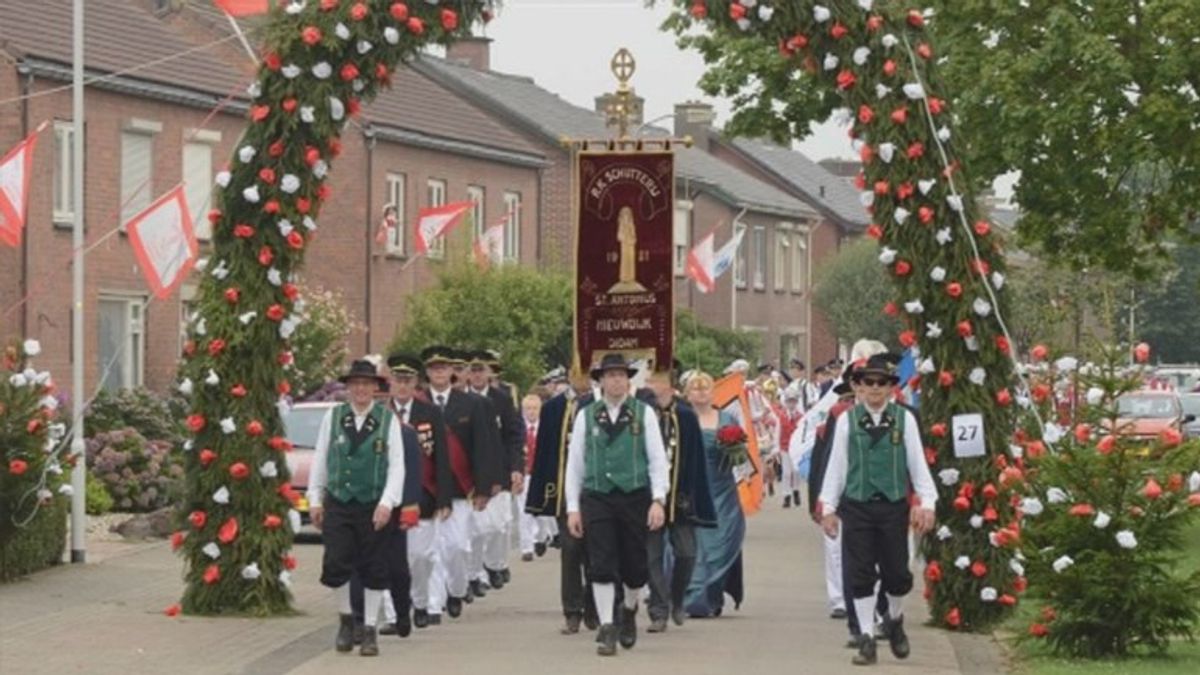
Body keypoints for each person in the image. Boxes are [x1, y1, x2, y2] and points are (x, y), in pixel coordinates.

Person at [819, 353, 938, 666]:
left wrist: (927, 502)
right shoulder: (847, 420)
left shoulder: (904, 419)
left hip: (893, 506)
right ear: (858, 387)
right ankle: (868, 638)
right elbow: (836, 467)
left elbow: (918, 465)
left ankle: (895, 620)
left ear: (890, 388)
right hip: (856, 506)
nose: (874, 388)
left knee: (897, 573)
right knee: (859, 574)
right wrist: (828, 507)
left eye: (881, 383)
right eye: (868, 382)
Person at [565, 353, 669, 656]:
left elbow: (657, 460)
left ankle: (629, 608)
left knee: (636, 567)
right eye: (610, 375)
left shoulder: (644, 413)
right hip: (597, 496)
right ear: (601, 380)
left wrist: (658, 500)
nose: (617, 380)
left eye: (622, 375)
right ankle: (608, 626)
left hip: (634, 496)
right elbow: (575, 464)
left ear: (628, 379)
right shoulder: (586, 415)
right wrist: (573, 506)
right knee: (601, 563)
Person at [307, 359, 410, 657]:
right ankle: (345, 620)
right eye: (356, 384)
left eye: (366, 384)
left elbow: (397, 466)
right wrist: (315, 498)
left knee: (373, 567)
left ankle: (369, 629)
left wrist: (387, 503)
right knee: (337, 562)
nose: (361, 390)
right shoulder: (334, 416)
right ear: (349, 388)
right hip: (339, 502)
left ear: (375, 388)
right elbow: (320, 459)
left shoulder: (387, 420)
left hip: (372, 504)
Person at [421, 345, 503, 620]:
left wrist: (483, 489)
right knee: (429, 550)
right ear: (428, 372)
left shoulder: (473, 404)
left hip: (459, 488)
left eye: (445, 367)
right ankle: (433, 604)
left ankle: (455, 590)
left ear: (454, 372)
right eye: (434, 368)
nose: (440, 372)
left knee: (456, 547)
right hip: (427, 488)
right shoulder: (419, 403)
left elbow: (483, 448)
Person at [526, 368, 600, 635]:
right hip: (564, 491)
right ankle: (572, 610)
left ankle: (594, 606)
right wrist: (541, 494)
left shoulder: (599, 403)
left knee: (596, 552)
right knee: (570, 551)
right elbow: (545, 452)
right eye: (575, 372)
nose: (580, 378)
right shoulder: (555, 407)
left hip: (595, 489)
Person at [643, 367, 717, 633]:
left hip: (680, 497)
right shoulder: (643, 411)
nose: (651, 384)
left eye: (657, 379)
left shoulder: (685, 415)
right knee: (651, 556)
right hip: (649, 499)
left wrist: (696, 497)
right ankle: (658, 610)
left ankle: (676, 597)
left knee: (686, 553)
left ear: (669, 384)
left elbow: (695, 459)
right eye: (650, 379)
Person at [385, 352, 454, 629]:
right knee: (390, 558)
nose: (402, 386)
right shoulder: (382, 413)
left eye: (407, 380)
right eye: (397, 380)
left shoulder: (429, 412)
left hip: (422, 493)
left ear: (416, 383)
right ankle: (393, 614)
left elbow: (442, 457)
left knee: (421, 556)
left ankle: (421, 600)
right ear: (390, 382)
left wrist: (444, 497)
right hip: (388, 497)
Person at [682, 371, 747, 618]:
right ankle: (693, 598)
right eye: (696, 389)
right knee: (695, 546)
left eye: (705, 388)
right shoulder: (682, 418)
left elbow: (739, 458)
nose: (701, 393)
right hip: (692, 490)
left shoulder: (727, 418)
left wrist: (732, 448)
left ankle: (714, 595)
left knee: (720, 541)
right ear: (687, 394)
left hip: (721, 490)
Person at [466, 350, 525, 592]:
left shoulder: (501, 399)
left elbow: (513, 435)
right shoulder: (461, 399)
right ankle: (477, 573)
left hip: (499, 469)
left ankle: (495, 564)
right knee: (476, 529)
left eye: (482, 370)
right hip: (472, 472)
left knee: (499, 525)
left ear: (489, 373)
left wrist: (516, 468)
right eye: (474, 370)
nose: (478, 375)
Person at [518, 394, 557, 561]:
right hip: (524, 475)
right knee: (523, 513)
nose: (531, 412)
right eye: (528, 409)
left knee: (541, 513)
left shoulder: (546, 428)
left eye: (534, 409)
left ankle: (542, 537)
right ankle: (526, 548)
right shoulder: (519, 431)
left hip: (540, 475)